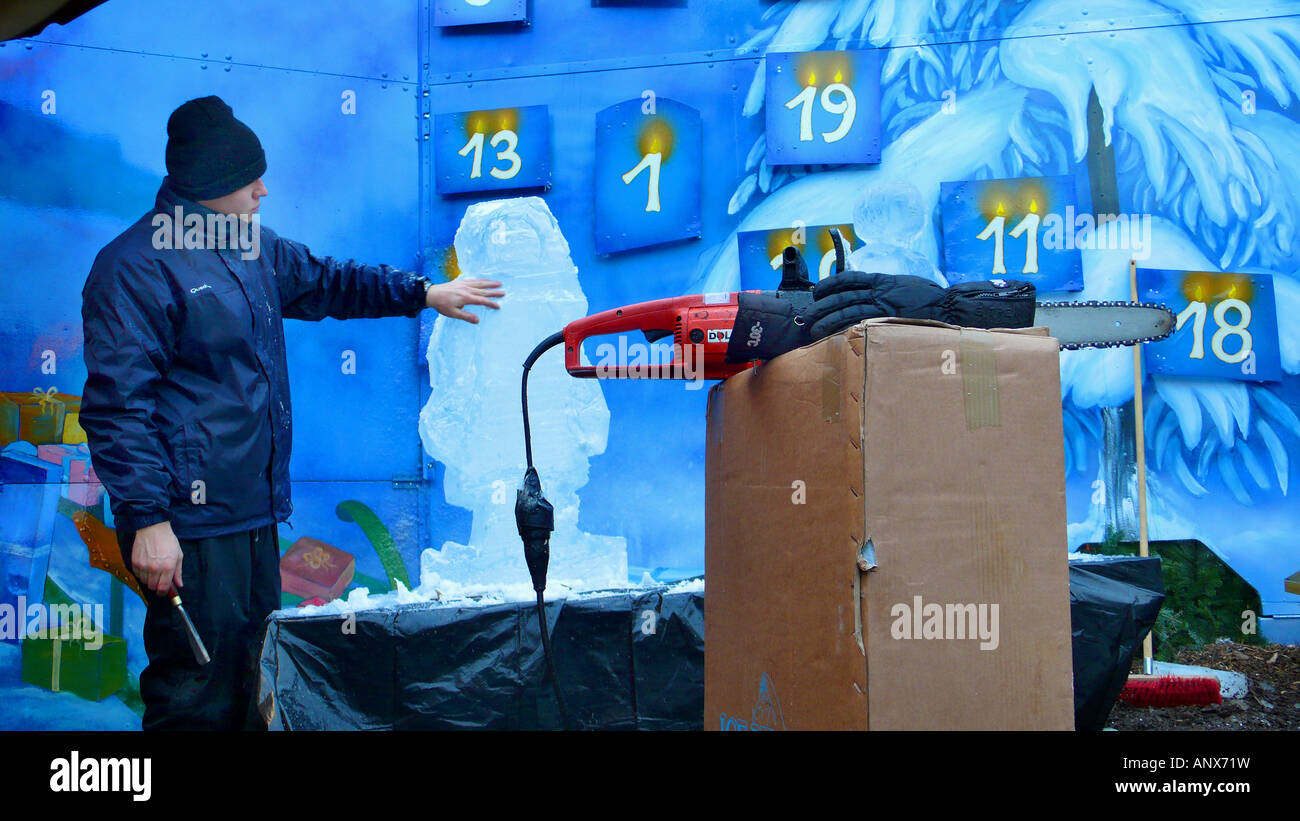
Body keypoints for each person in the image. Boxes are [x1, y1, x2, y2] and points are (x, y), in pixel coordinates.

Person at [79, 95, 504, 730]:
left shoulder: (250, 246)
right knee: (196, 689)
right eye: (249, 179)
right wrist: (147, 521)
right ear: (209, 185)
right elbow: (117, 408)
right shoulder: (132, 269)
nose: (263, 190)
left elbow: (330, 280)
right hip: (188, 525)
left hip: (252, 511)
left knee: (254, 677)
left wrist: (423, 292)